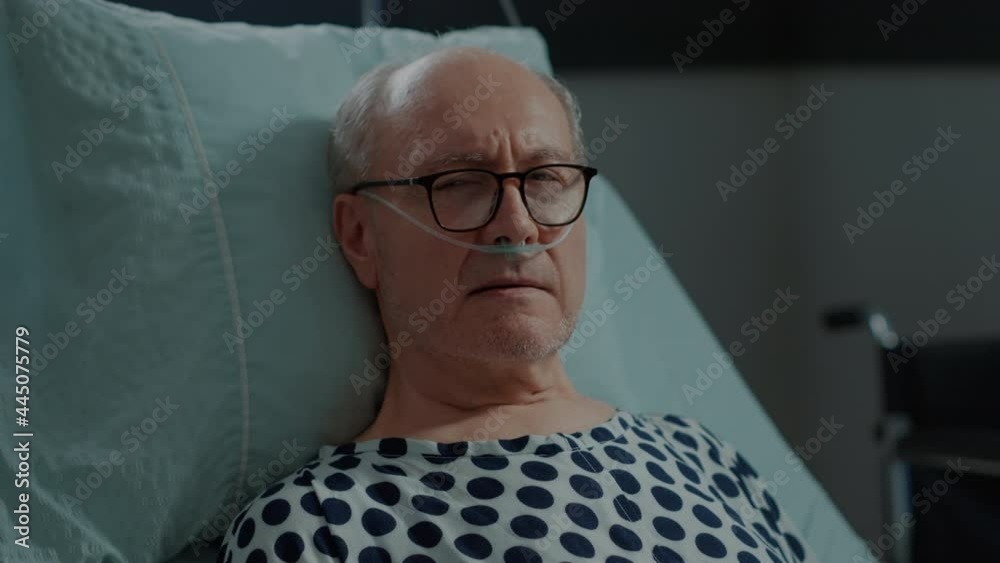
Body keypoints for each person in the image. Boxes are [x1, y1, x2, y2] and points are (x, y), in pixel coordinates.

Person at [220, 46, 817, 563]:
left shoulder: (701, 459)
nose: (517, 225)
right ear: (360, 237)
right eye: (457, 183)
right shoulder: (319, 526)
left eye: (546, 179)